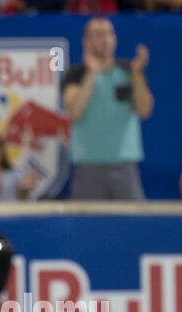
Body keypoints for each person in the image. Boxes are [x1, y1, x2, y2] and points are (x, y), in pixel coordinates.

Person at [62, 18, 153, 201]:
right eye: (98, 34)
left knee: (132, 224)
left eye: (109, 33)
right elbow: (74, 111)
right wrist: (91, 74)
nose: (104, 39)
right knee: (87, 226)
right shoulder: (76, 73)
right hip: (88, 165)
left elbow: (145, 110)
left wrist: (137, 76)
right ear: (86, 41)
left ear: (115, 39)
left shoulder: (130, 71)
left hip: (124, 165)